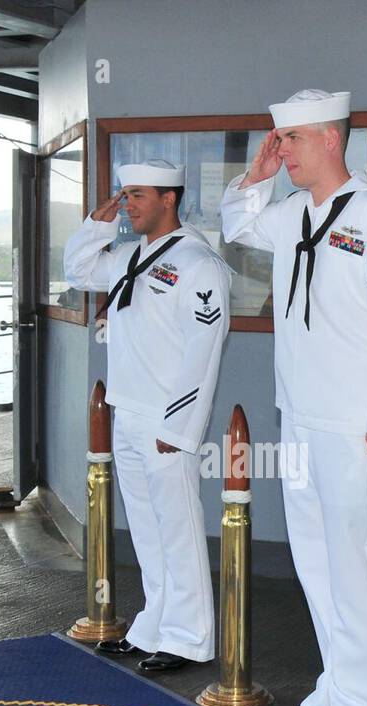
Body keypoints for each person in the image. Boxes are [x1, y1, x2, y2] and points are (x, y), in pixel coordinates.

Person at [221, 89, 367, 706]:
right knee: (314, 555)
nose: (283, 152)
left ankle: (365, 701)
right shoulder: (291, 214)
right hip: (301, 415)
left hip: (355, 420)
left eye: (293, 140)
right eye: (279, 141)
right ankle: (334, 689)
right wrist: (255, 178)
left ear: (331, 139)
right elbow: (236, 226)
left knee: (355, 557)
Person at [64, 159, 233, 673]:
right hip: (128, 412)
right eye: (125, 194)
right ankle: (154, 626)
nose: (129, 204)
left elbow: (203, 353)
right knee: (146, 530)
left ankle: (189, 638)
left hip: (165, 420)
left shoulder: (199, 263)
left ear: (170, 199)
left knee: (178, 530)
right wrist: (98, 222)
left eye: (138, 195)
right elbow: (75, 269)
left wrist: (178, 428)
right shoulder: (125, 256)